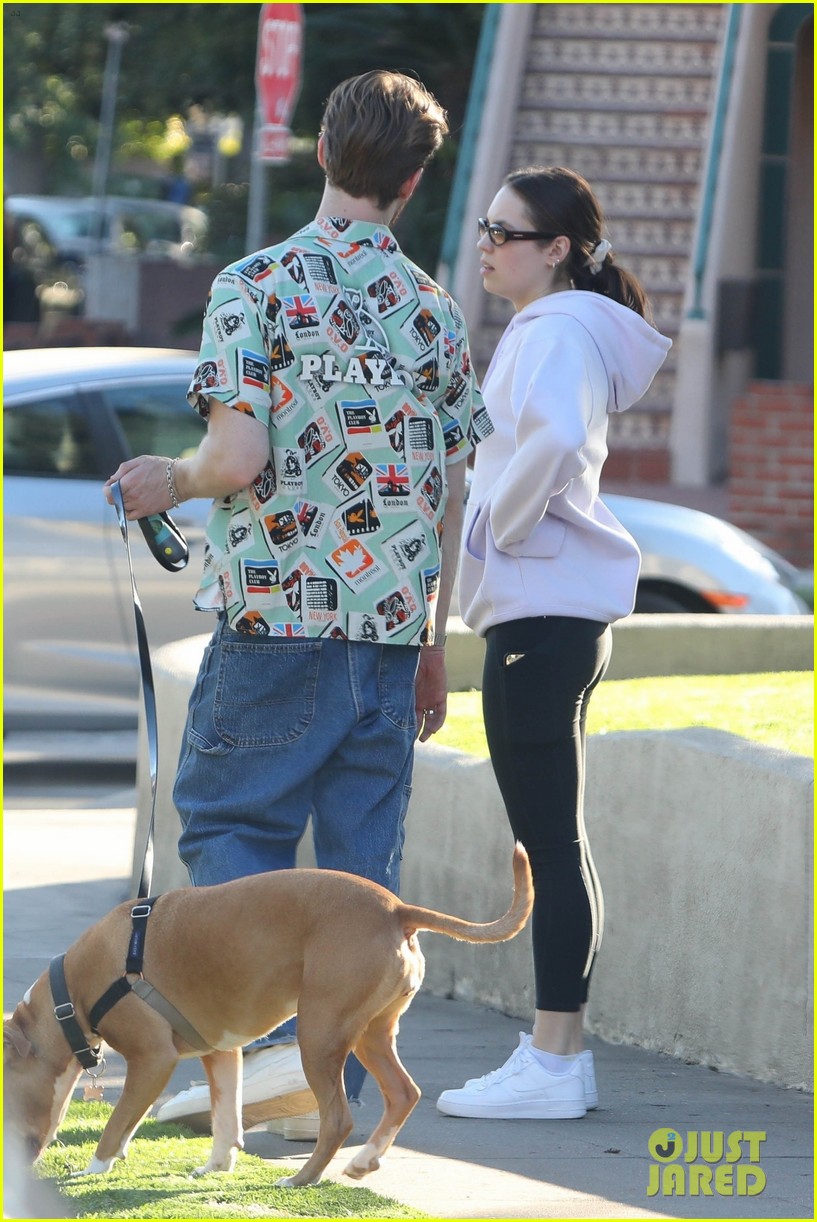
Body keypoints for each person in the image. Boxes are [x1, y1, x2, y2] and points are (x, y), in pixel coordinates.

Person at [105, 69, 489, 1138]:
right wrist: (430, 642)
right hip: (389, 637)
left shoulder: (255, 286)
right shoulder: (433, 310)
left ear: (322, 152)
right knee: (364, 886)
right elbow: (446, 493)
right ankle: (328, 1102)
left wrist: (165, 480)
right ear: (414, 181)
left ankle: (266, 1057)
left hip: (276, 622)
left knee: (234, 829)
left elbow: (235, 458)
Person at [436, 167, 671, 1121]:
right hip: (554, 617)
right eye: (485, 228)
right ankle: (558, 1059)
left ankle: (552, 1060)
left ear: (558, 249)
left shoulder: (554, 329)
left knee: (550, 845)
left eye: (505, 231)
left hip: (540, 618)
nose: (486, 244)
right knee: (558, 842)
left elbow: (556, 440)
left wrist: (498, 528)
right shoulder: (562, 327)